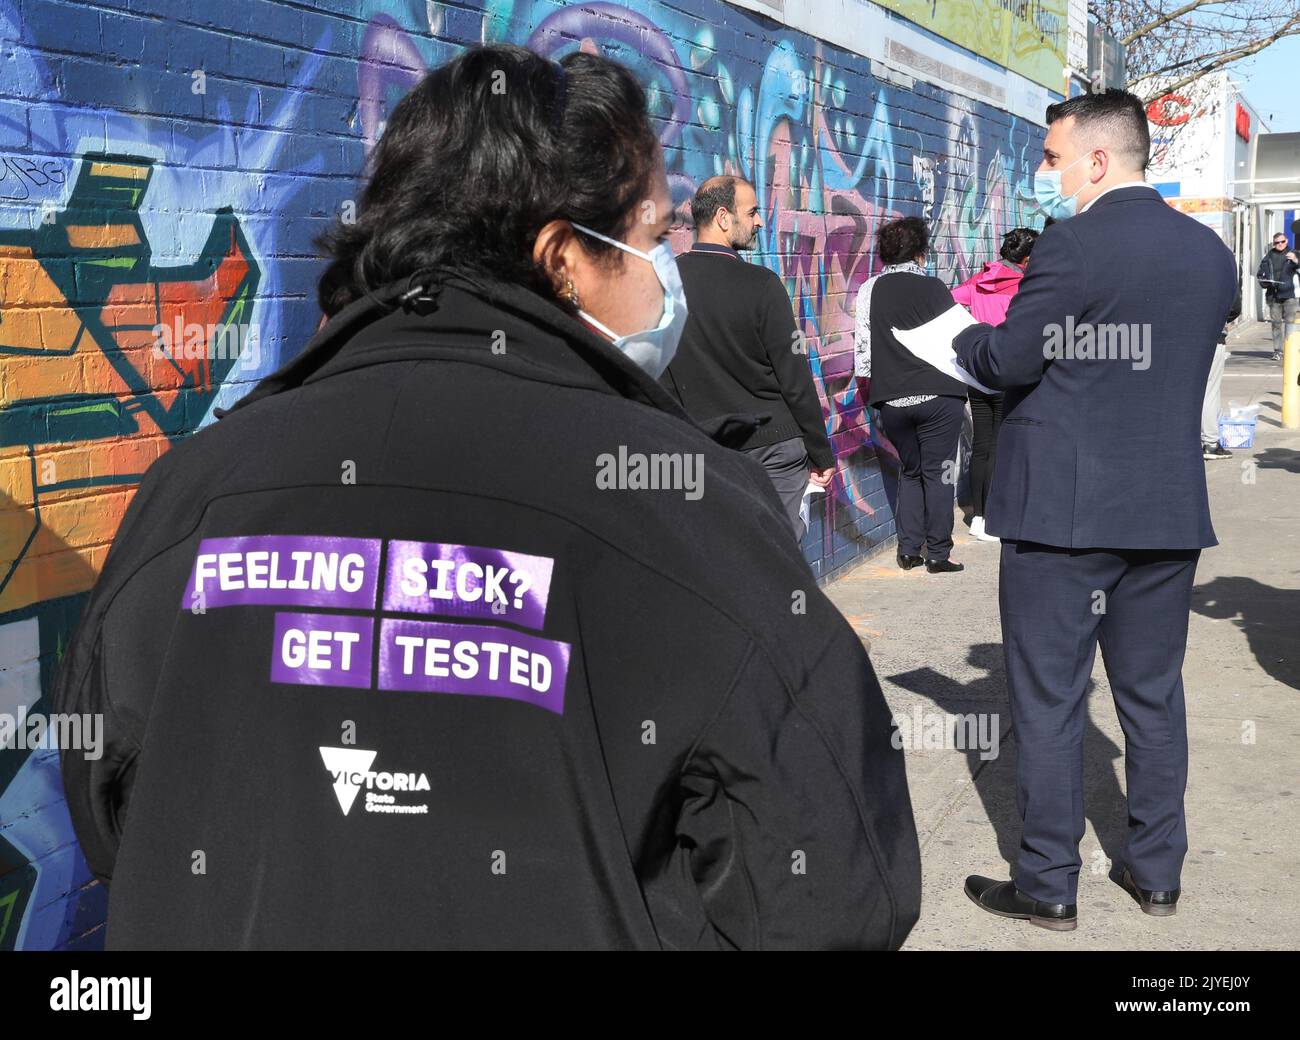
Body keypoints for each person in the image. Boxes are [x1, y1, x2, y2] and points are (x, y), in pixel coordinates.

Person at [51, 45, 920, 951]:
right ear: (562, 259)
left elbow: (108, 807)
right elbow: (835, 887)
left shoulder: (194, 488)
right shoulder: (689, 507)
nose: (670, 273)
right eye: (656, 239)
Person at [899, 89, 1236, 929]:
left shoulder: (1074, 246)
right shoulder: (1209, 254)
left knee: (1049, 704)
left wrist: (960, 338)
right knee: (1152, 699)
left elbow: (1011, 356)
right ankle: (1157, 872)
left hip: (1063, 517)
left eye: (1050, 158)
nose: (1041, 173)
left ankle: (1048, 883)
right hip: (1164, 511)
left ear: (1097, 159)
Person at [660, 176, 834, 539]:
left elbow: (657, 376)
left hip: (707, 451)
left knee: (726, 560)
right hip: (775, 450)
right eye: (752, 211)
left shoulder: (663, 283)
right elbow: (795, 380)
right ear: (723, 218)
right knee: (778, 561)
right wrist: (821, 453)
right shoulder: (763, 285)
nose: (759, 221)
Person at [855, 216, 968, 574]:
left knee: (911, 470)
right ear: (921, 252)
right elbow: (953, 341)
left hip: (893, 399)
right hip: (938, 395)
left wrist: (871, 398)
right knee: (938, 473)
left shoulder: (869, 290)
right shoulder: (935, 287)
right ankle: (938, 553)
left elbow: (863, 353)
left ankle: (908, 550)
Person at [951, 227, 1039, 539]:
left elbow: (949, 300)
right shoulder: (1027, 285)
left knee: (982, 444)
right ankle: (995, 515)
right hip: (1008, 369)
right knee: (1005, 444)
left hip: (977, 370)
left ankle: (978, 517)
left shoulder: (979, 279)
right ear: (1027, 258)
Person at [1201, 285, 1241, 460]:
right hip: (1212, 335)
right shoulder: (1221, 263)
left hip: (1182, 337)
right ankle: (1210, 443)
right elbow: (1234, 307)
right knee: (1209, 390)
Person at [1256, 232, 1299, 361]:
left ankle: (1291, 349)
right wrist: (1263, 281)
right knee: (1276, 324)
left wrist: (1296, 260)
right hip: (1273, 296)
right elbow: (1261, 273)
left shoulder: (1293, 253)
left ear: (1286, 241)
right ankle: (1278, 351)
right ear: (1273, 243)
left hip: (1290, 296)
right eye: (1276, 242)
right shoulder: (1268, 256)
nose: (1280, 244)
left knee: (1290, 324)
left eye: (1282, 242)